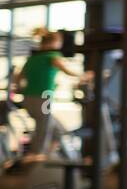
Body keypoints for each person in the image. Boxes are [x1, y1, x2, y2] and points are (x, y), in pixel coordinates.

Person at [12, 29, 80, 159]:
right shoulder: (52, 56)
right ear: (55, 42)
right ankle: (37, 155)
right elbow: (67, 70)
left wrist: (18, 89)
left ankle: (48, 155)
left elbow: (18, 77)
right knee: (44, 127)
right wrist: (83, 76)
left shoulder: (32, 58)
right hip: (45, 97)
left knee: (58, 131)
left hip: (28, 99)